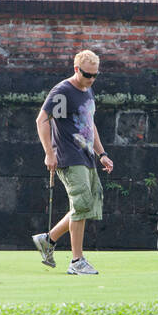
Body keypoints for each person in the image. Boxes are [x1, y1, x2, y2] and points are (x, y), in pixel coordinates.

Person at [31, 49, 114, 275]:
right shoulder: (63, 91)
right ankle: (77, 261)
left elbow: (90, 124)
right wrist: (49, 153)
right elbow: (43, 120)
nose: (91, 79)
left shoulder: (88, 91)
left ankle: (48, 240)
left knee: (85, 204)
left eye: (95, 75)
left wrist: (102, 153)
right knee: (81, 204)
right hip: (69, 156)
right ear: (76, 69)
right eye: (87, 75)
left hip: (86, 156)